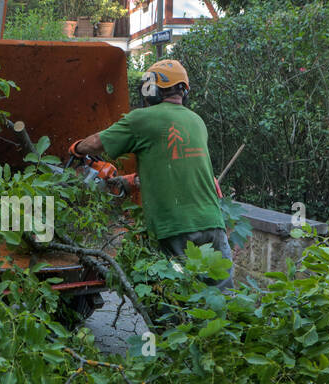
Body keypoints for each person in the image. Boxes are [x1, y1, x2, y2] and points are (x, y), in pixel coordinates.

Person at [71, 59, 233, 290]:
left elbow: (97, 143)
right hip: (212, 223)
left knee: (177, 300)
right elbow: (174, 164)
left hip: (176, 227)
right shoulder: (197, 121)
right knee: (221, 298)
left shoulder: (142, 119)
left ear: (153, 89)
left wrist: (75, 148)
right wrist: (131, 180)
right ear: (183, 91)